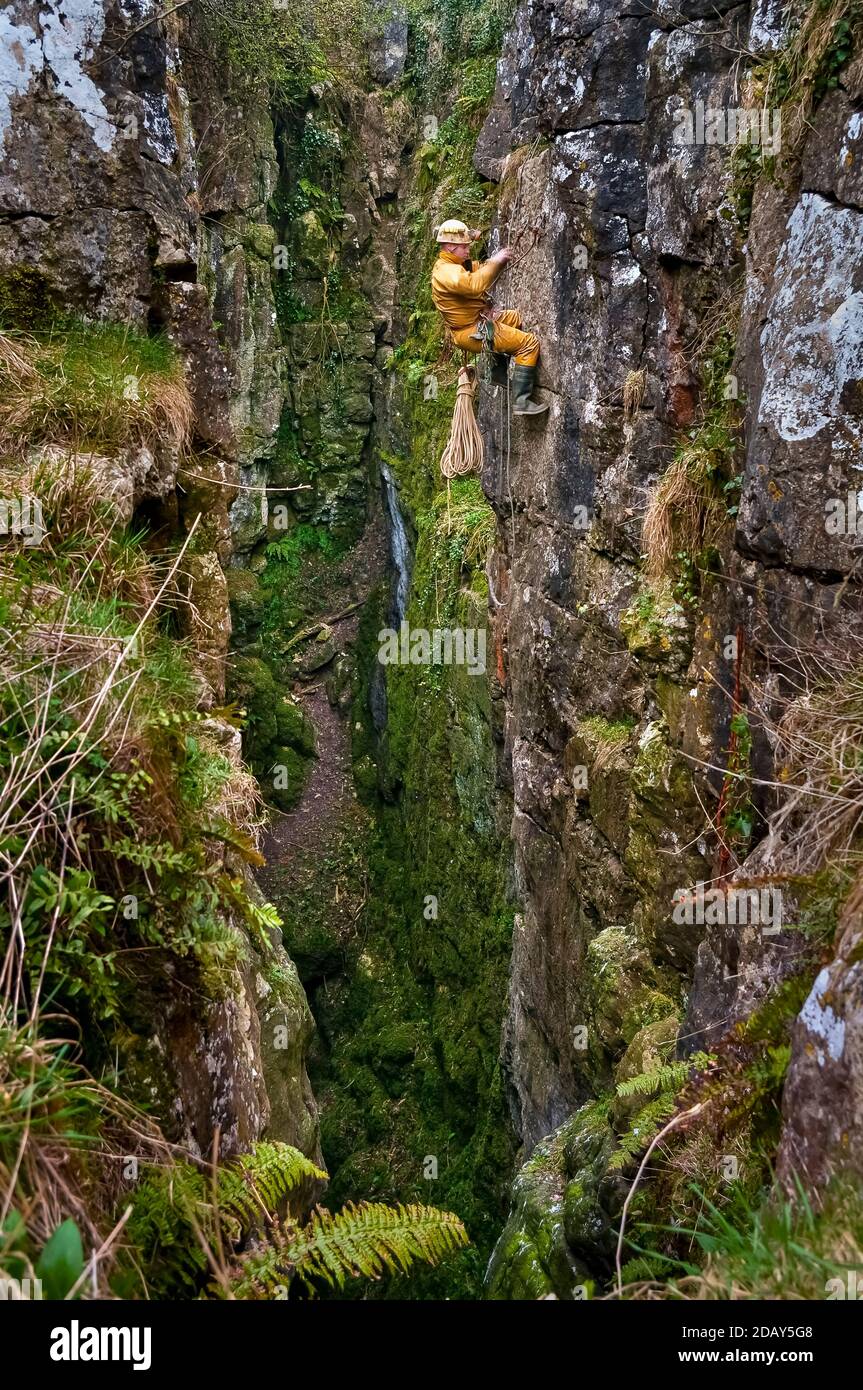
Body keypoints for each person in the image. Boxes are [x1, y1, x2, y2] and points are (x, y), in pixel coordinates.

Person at [430, 218, 549, 417]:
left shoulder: (454, 264)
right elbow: (474, 284)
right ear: (450, 246)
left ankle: (497, 371)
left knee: (514, 318)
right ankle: (521, 401)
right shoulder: (446, 272)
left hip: (475, 324)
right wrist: (495, 261)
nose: (468, 250)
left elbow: (477, 270)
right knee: (528, 343)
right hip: (471, 331)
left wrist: (494, 262)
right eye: (464, 247)